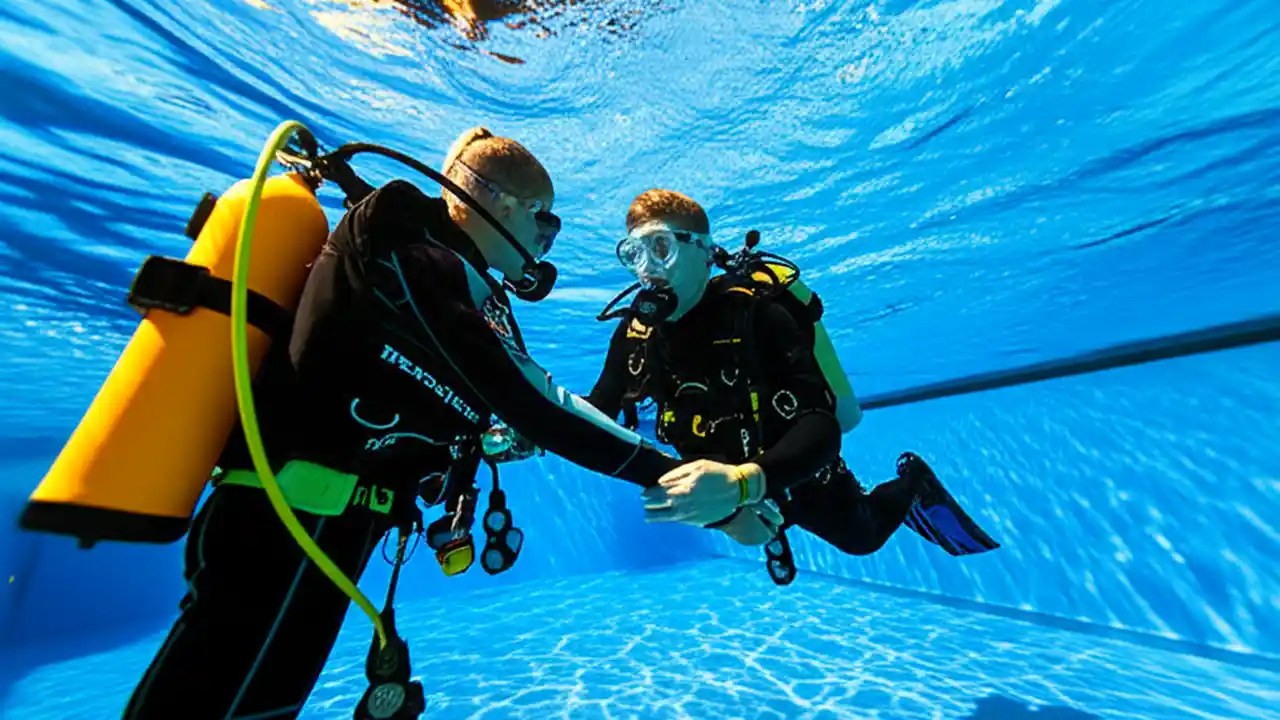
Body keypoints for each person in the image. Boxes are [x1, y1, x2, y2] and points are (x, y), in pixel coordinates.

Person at [122, 129, 733, 720]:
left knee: (252, 699)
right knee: (229, 704)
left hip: (320, 518)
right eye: (541, 217)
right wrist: (685, 477)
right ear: (492, 201)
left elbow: (462, 395)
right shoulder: (420, 259)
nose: (545, 237)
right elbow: (541, 405)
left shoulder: (447, 276)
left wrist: (485, 439)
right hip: (295, 518)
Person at [585, 189, 1000, 585]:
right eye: (633, 254)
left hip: (796, 473)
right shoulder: (635, 334)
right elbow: (596, 415)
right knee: (759, 519)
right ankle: (770, 527)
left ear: (704, 251)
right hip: (726, 485)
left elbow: (822, 428)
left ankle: (914, 484)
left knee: (862, 539)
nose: (646, 269)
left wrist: (743, 485)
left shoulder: (757, 315)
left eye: (660, 248)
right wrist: (528, 418)